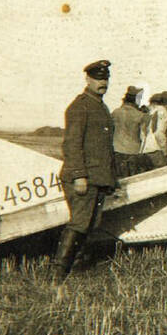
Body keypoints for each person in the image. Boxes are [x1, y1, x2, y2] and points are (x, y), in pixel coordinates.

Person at [54, 60, 117, 282]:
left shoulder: (100, 106)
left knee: (91, 224)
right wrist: (79, 175)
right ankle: (59, 275)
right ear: (87, 79)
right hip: (84, 178)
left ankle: (76, 270)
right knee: (79, 223)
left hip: (98, 178)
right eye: (98, 79)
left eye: (106, 79)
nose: (103, 83)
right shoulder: (79, 106)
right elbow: (72, 144)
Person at [112, 85, 151, 177]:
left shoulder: (115, 112)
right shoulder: (140, 115)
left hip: (117, 152)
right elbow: (144, 135)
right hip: (134, 152)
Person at [140, 91, 167, 167]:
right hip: (156, 149)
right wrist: (164, 150)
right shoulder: (163, 112)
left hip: (144, 150)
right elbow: (159, 133)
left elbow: (142, 134)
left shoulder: (148, 114)